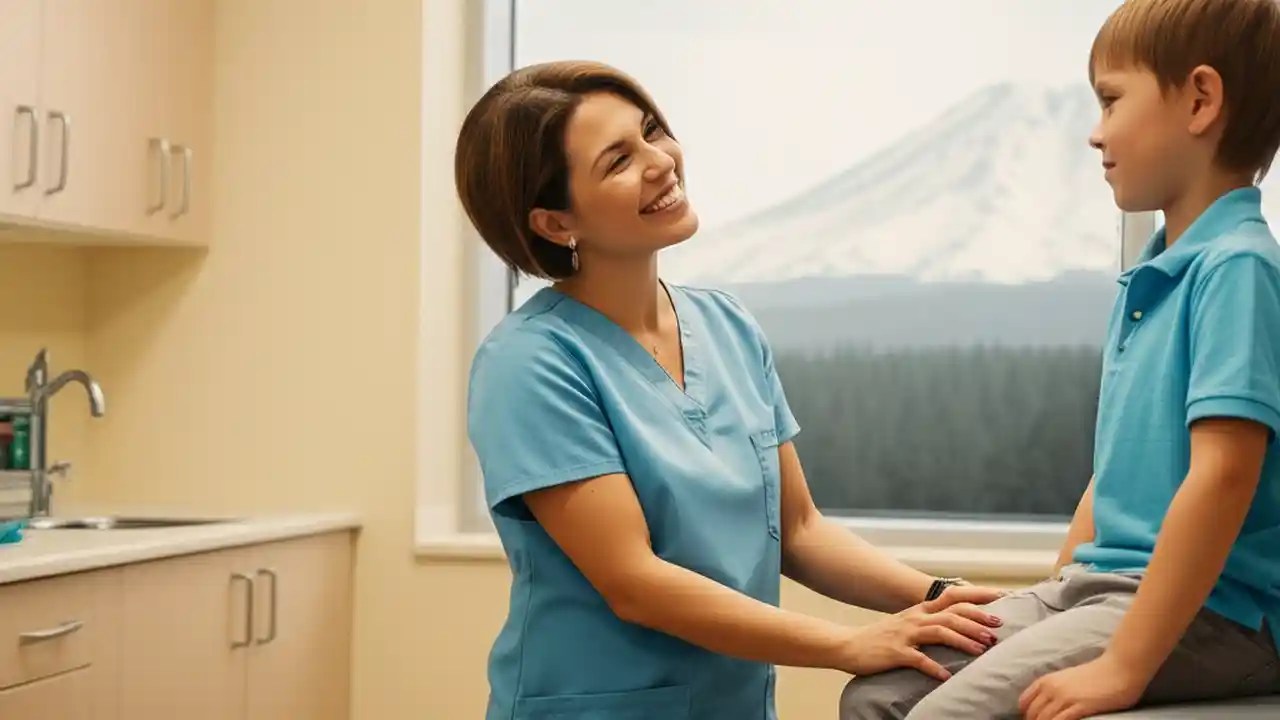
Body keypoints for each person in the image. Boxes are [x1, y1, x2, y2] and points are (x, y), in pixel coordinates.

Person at [454, 60, 1008, 720]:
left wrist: (942, 598)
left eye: (653, 131)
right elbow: (635, 583)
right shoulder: (529, 364)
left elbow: (799, 531)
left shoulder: (725, 324)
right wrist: (849, 645)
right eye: (618, 161)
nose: (660, 162)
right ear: (554, 223)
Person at [839, 1, 1280, 718]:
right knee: (882, 691)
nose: (1095, 131)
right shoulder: (1157, 271)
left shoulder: (1236, 268)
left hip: (1217, 613)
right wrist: (1053, 597)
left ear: (1200, 99)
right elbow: (1116, 474)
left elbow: (1225, 474)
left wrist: (1123, 668)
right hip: (1098, 589)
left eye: (1111, 99)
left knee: (942, 714)